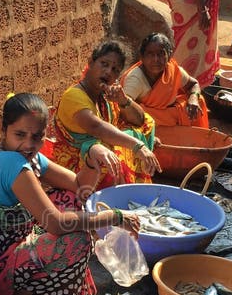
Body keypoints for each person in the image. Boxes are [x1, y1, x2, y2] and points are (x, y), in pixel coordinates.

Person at [0, 93, 141, 295]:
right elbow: (56, 223)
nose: (28, 144)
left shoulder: (29, 158)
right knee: (77, 240)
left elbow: (80, 188)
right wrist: (115, 217)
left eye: (36, 137)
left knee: (68, 199)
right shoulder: (9, 162)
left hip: (13, 249)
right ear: (3, 130)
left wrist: (91, 155)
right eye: (20, 135)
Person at [44, 39, 161, 188]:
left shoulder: (106, 96)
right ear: (91, 62)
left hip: (94, 157)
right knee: (110, 151)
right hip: (74, 166)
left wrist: (124, 101)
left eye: (115, 69)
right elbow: (97, 127)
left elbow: (140, 120)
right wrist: (139, 147)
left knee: (146, 124)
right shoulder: (74, 96)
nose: (108, 72)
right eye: (104, 64)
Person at [121, 32, 209, 129]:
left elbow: (193, 84)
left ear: (169, 55)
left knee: (198, 100)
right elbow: (123, 108)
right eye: (150, 54)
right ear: (142, 57)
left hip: (167, 114)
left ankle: (195, 137)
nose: (156, 59)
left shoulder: (173, 70)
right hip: (145, 120)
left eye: (161, 54)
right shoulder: (135, 79)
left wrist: (193, 98)